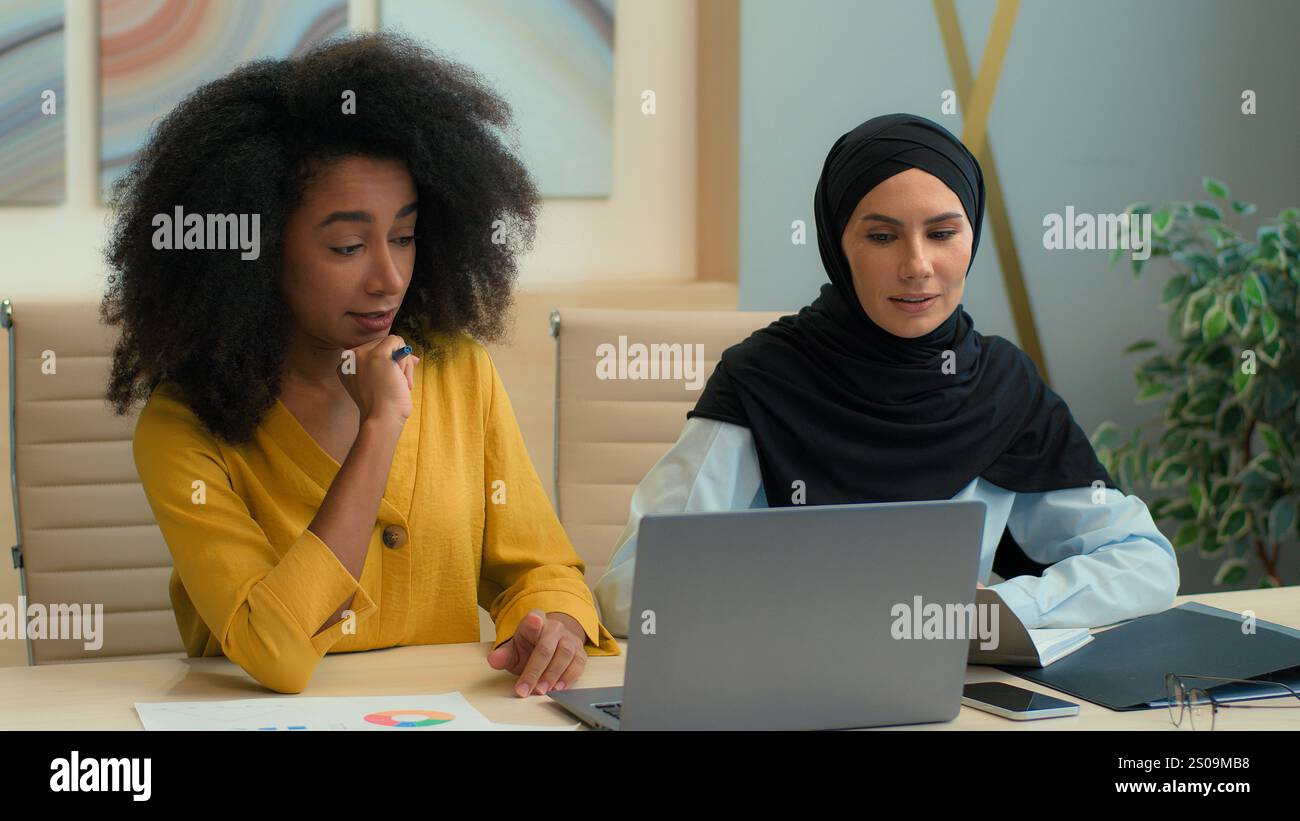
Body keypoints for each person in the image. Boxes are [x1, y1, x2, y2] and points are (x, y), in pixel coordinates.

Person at [106, 32, 618, 696]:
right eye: (348, 245)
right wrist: (380, 428)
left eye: (403, 237)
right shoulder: (184, 426)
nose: (388, 277)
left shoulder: (458, 370)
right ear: (257, 250)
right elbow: (275, 647)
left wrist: (554, 627)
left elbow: (539, 568)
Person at [594, 113, 1178, 638]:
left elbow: (1144, 563)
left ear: (971, 237)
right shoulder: (765, 380)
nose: (917, 265)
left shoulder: (1000, 387)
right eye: (881, 236)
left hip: (950, 702)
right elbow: (629, 592)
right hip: (777, 694)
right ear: (837, 245)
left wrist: (998, 608)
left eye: (943, 233)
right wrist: (818, 606)